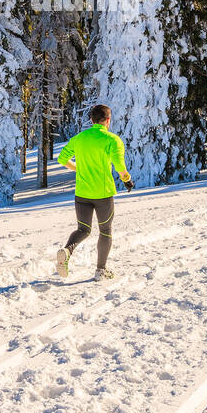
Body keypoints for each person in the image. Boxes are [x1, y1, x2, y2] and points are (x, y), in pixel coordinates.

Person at [55, 104, 133, 281]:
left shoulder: (79, 138)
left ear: (91, 120)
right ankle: (101, 271)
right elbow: (120, 167)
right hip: (103, 194)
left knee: (83, 229)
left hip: (82, 193)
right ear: (108, 120)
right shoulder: (113, 140)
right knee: (105, 230)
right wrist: (127, 180)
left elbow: (62, 159)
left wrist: (78, 169)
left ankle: (67, 251)